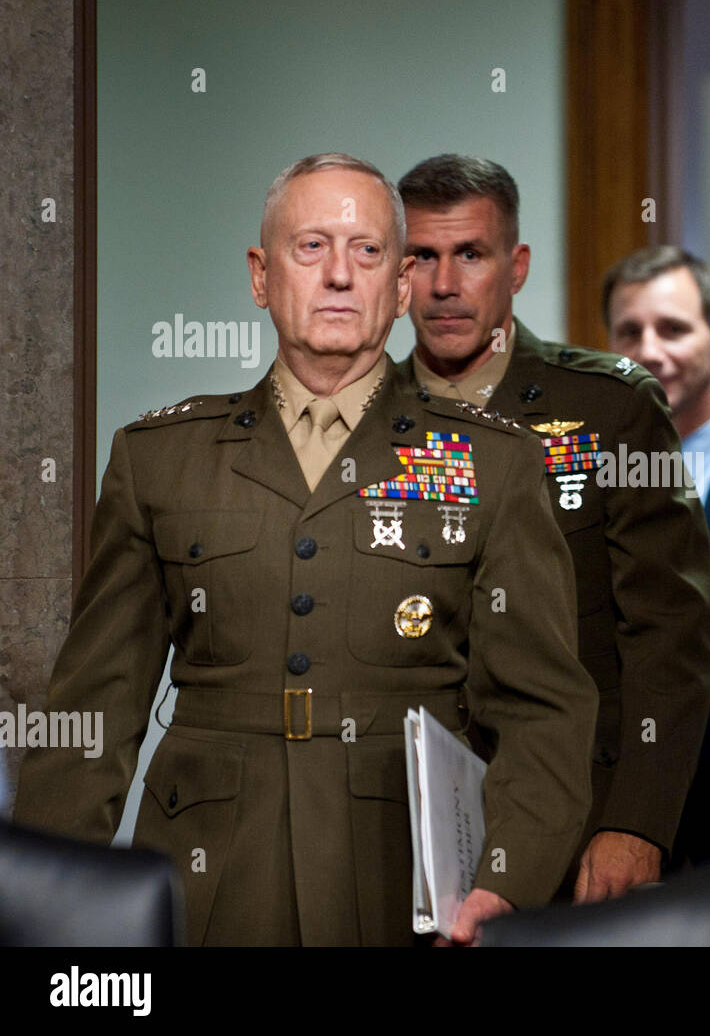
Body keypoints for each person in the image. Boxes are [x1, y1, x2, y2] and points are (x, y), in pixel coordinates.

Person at [12, 153, 598, 946]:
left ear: (398, 288)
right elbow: (97, 706)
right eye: (311, 246)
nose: (338, 276)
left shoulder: (494, 464)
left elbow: (545, 712)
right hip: (209, 880)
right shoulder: (160, 458)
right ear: (261, 274)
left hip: (405, 889)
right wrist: (49, 898)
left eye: (367, 252)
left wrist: (503, 881)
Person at [397, 155, 710, 902]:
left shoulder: (613, 409)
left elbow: (673, 636)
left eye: (470, 254)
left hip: (581, 832)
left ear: (517, 266)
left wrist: (637, 822)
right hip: (404, 837)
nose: (444, 285)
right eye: (422, 257)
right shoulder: (367, 422)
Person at [602, 245, 710, 863]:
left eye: (673, 328)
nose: (650, 350)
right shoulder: (571, 488)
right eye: (630, 332)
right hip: (596, 833)